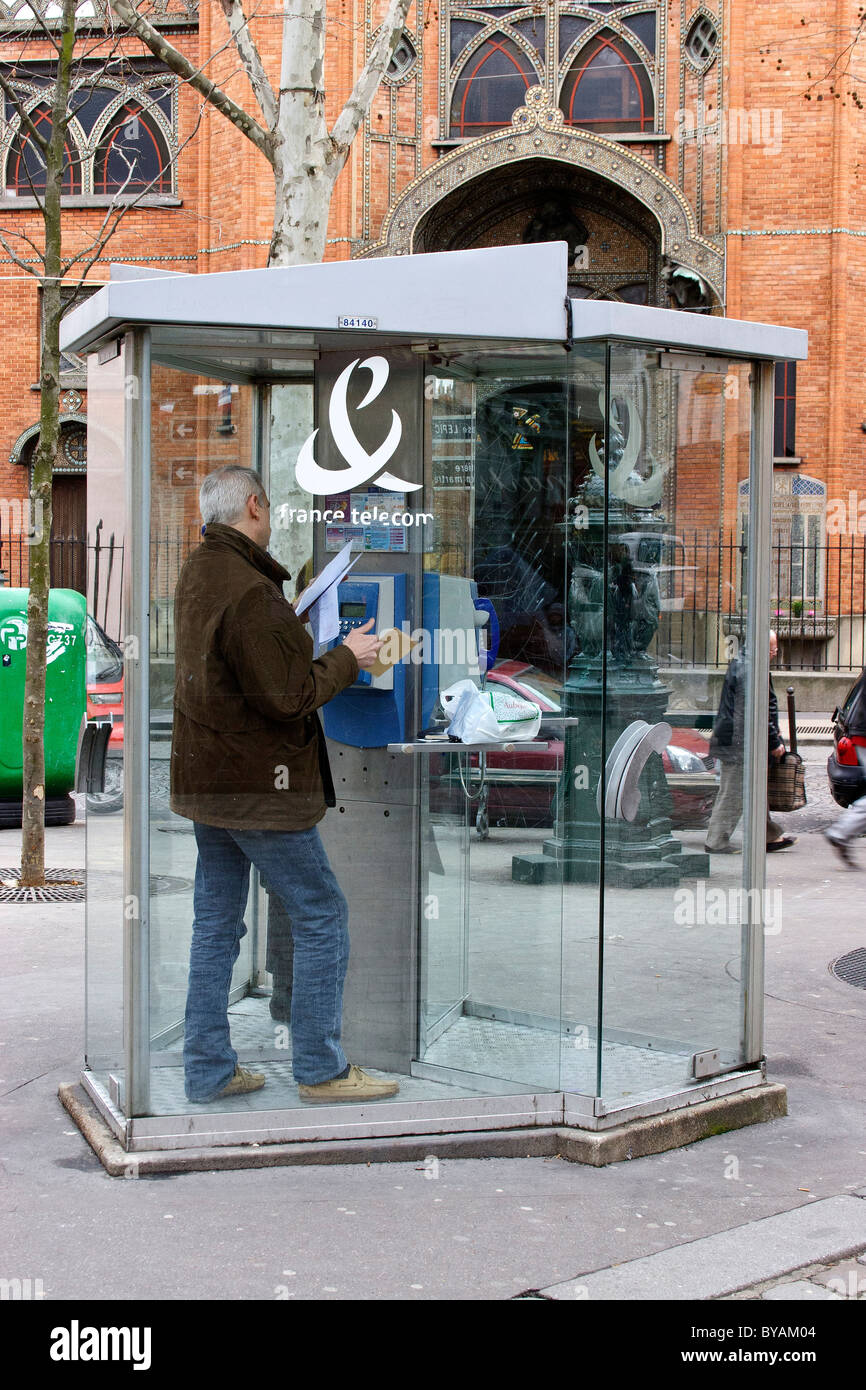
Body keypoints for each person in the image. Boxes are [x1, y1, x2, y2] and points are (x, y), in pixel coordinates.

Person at [170, 465, 399, 1104]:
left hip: (208, 782)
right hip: (258, 789)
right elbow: (289, 695)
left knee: (216, 924)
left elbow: (236, 667)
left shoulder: (198, 573)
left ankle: (207, 1069)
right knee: (322, 913)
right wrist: (351, 656)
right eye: (269, 511)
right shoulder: (251, 591)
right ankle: (322, 1069)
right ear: (253, 506)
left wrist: (289, 628)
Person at [704, 631, 796, 854]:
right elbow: (754, 710)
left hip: (737, 739)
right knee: (733, 791)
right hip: (738, 743)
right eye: (773, 648)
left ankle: (767, 834)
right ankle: (716, 841)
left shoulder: (747, 663)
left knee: (754, 786)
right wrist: (774, 741)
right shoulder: (750, 669)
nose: (775, 653)